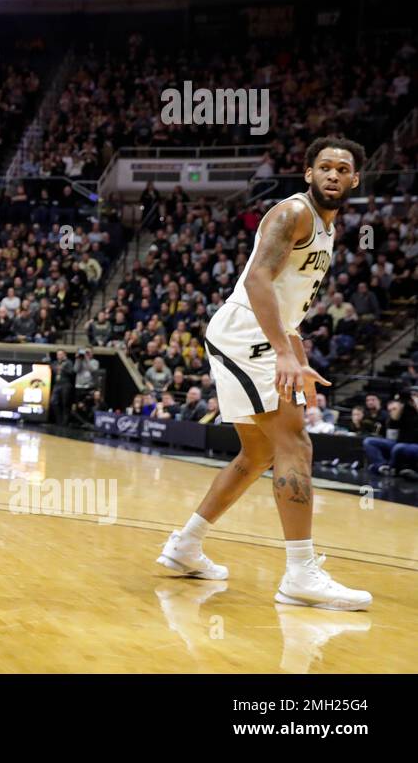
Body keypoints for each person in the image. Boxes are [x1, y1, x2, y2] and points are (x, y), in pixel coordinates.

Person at [158, 138, 371, 610]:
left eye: (342, 169)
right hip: (245, 333)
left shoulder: (328, 228)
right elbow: (257, 279)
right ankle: (300, 573)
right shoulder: (292, 214)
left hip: (258, 335)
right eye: (324, 167)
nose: (333, 175)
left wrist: (296, 353)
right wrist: (281, 351)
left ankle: (185, 546)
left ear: (354, 179)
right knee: (295, 443)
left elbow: (287, 301)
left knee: (257, 452)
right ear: (307, 173)